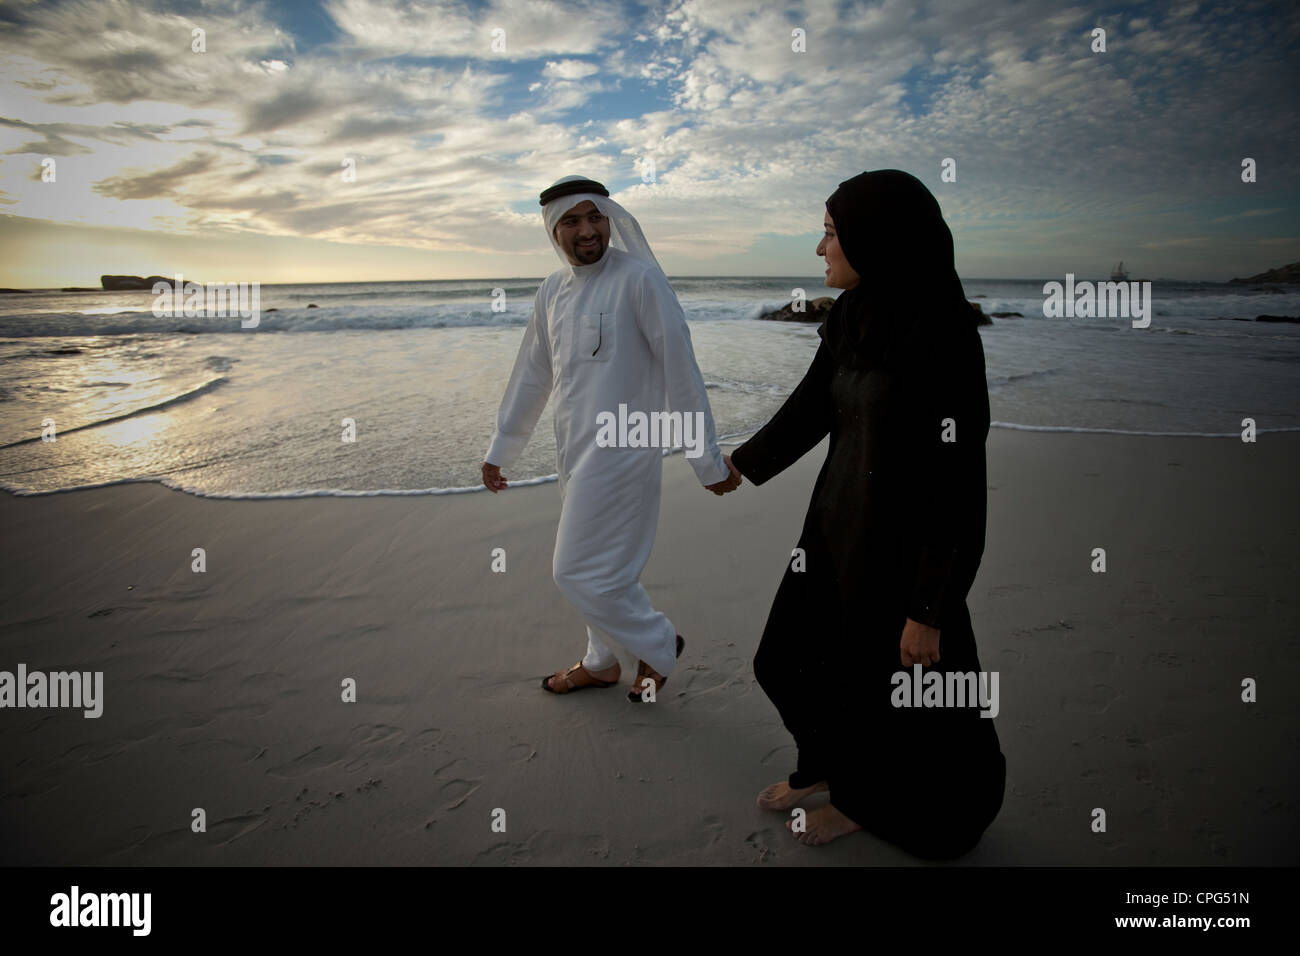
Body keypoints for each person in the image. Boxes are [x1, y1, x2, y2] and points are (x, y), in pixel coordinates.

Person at [726, 169, 1006, 857]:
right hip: (831, 529)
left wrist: (931, 605)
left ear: (874, 238)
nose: (820, 248)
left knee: (896, 701)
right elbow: (814, 405)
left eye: (829, 232)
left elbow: (960, 477)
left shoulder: (943, 335)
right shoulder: (854, 314)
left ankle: (861, 802)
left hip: (903, 554)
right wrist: (741, 465)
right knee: (784, 662)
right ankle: (826, 766)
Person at [483, 175, 742, 703]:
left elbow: (681, 371)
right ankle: (602, 662)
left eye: (594, 217)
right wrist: (501, 448)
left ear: (609, 218)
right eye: (572, 221)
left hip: (626, 448)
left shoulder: (640, 279)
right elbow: (533, 374)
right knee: (605, 568)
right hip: (572, 448)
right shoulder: (552, 290)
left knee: (574, 570)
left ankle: (659, 642)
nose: (587, 230)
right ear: (553, 230)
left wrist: (707, 462)